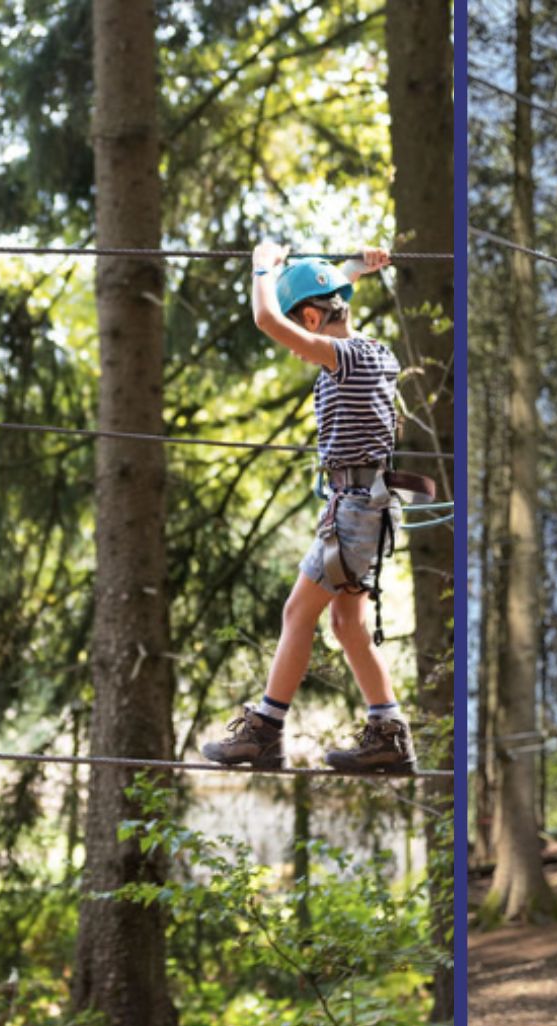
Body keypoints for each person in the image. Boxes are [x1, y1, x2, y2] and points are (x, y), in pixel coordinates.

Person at [202, 242, 418, 774]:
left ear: (315, 318)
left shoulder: (346, 358)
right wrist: (350, 272)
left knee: (297, 613)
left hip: (353, 512)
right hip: (360, 507)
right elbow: (327, 310)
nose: (299, 350)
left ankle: (265, 730)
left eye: (305, 334)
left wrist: (262, 267)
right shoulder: (369, 352)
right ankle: (388, 732)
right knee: (347, 626)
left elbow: (266, 319)